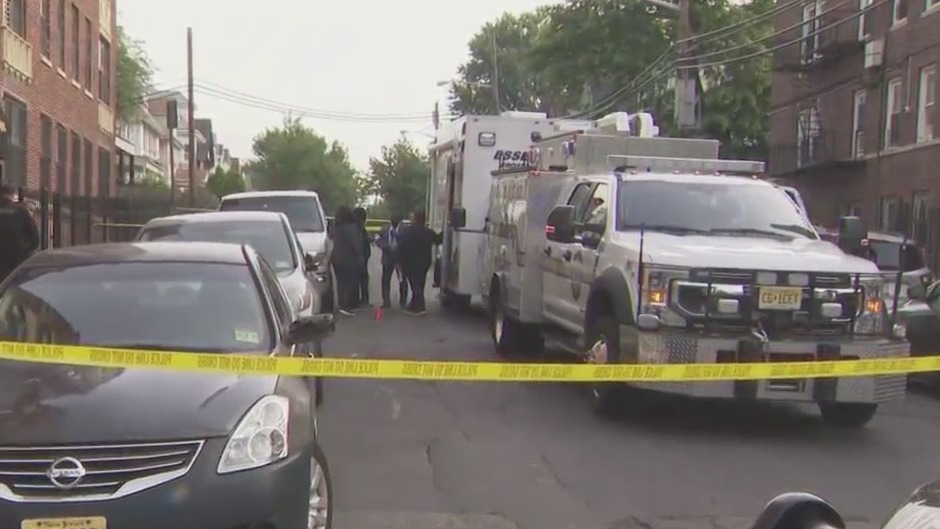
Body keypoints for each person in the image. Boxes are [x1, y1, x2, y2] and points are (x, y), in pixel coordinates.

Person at [397, 209, 441, 315]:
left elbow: (402, 246)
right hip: (425, 262)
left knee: (415, 284)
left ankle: (420, 307)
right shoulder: (428, 232)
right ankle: (414, 304)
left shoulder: (408, 231)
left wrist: (398, 260)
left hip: (411, 262)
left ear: (415, 218)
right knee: (420, 283)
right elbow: (438, 240)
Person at [329, 206, 365, 316]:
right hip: (349, 259)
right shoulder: (352, 228)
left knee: (340, 282)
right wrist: (360, 258)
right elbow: (356, 244)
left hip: (336, 258)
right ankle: (346, 305)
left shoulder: (334, 227)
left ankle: (341, 305)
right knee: (350, 282)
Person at [0, 184, 39, 282]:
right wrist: (25, 249)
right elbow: (34, 237)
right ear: (12, 194)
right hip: (17, 257)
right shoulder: (20, 210)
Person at [375, 214, 408, 309]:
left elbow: (406, 241)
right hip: (387, 257)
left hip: (400, 259)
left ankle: (403, 301)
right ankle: (386, 301)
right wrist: (386, 247)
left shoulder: (405, 230)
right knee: (385, 280)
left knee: (402, 280)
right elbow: (378, 240)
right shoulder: (385, 229)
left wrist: (399, 248)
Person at [352, 207, 371, 307]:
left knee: (361, 279)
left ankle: (361, 300)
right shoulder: (358, 229)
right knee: (362, 279)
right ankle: (361, 301)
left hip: (361, 257)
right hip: (360, 258)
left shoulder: (358, 228)